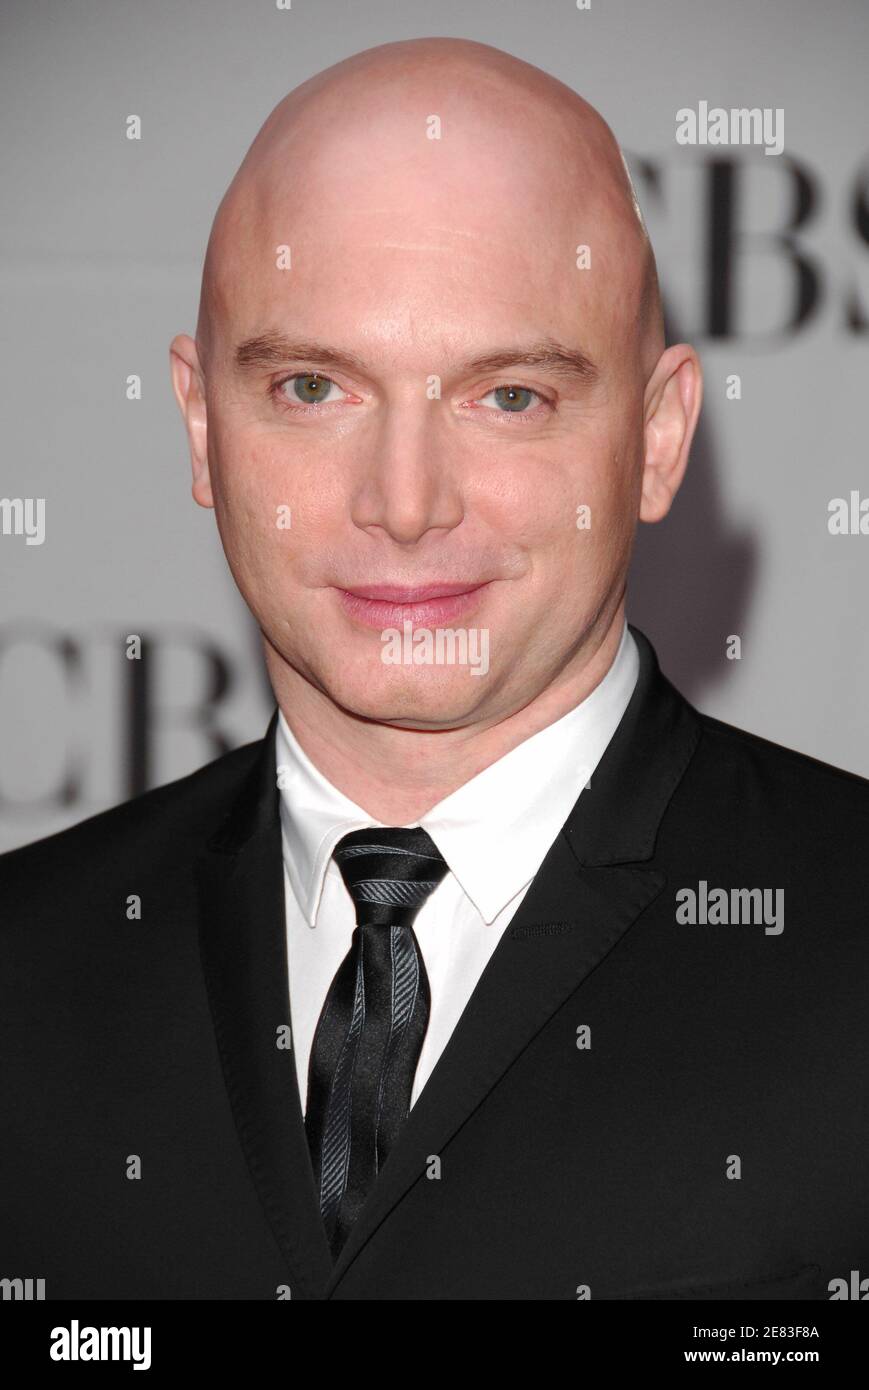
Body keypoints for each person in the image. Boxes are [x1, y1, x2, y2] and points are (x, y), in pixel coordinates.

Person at [1, 37, 866, 1302]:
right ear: (201, 427)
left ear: (656, 438)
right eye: (312, 386)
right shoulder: (23, 970)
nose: (403, 505)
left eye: (507, 396)